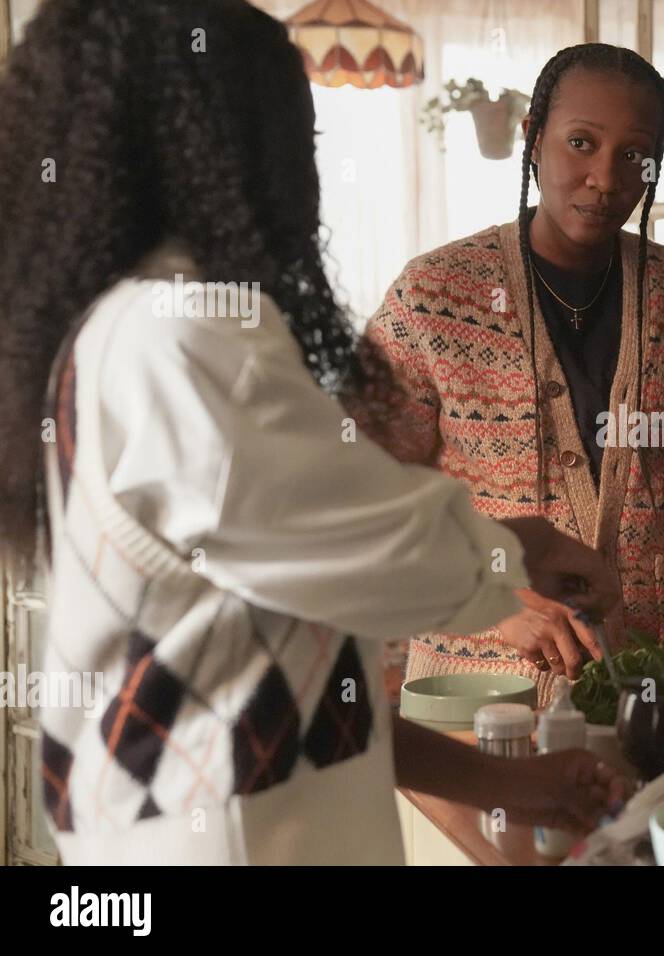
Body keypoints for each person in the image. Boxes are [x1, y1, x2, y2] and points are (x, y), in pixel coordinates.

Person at [0, 0, 626, 864]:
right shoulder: (177, 338)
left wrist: (524, 784)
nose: (308, 166)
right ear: (227, 145)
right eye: (296, 132)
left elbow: (304, 669)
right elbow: (392, 561)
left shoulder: (142, 330)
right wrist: (518, 549)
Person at [364, 43, 664, 702]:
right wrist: (494, 599)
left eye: (633, 154)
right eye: (581, 142)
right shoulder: (436, 294)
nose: (605, 177)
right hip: (473, 702)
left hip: (649, 702)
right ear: (533, 139)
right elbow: (369, 494)